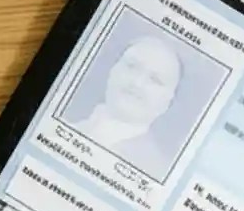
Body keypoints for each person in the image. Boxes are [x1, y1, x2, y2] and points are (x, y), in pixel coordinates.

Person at [73, 35, 183, 176]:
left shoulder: (155, 171)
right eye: (132, 66)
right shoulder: (57, 125)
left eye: (155, 80)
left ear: (168, 102)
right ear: (112, 70)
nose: (137, 83)